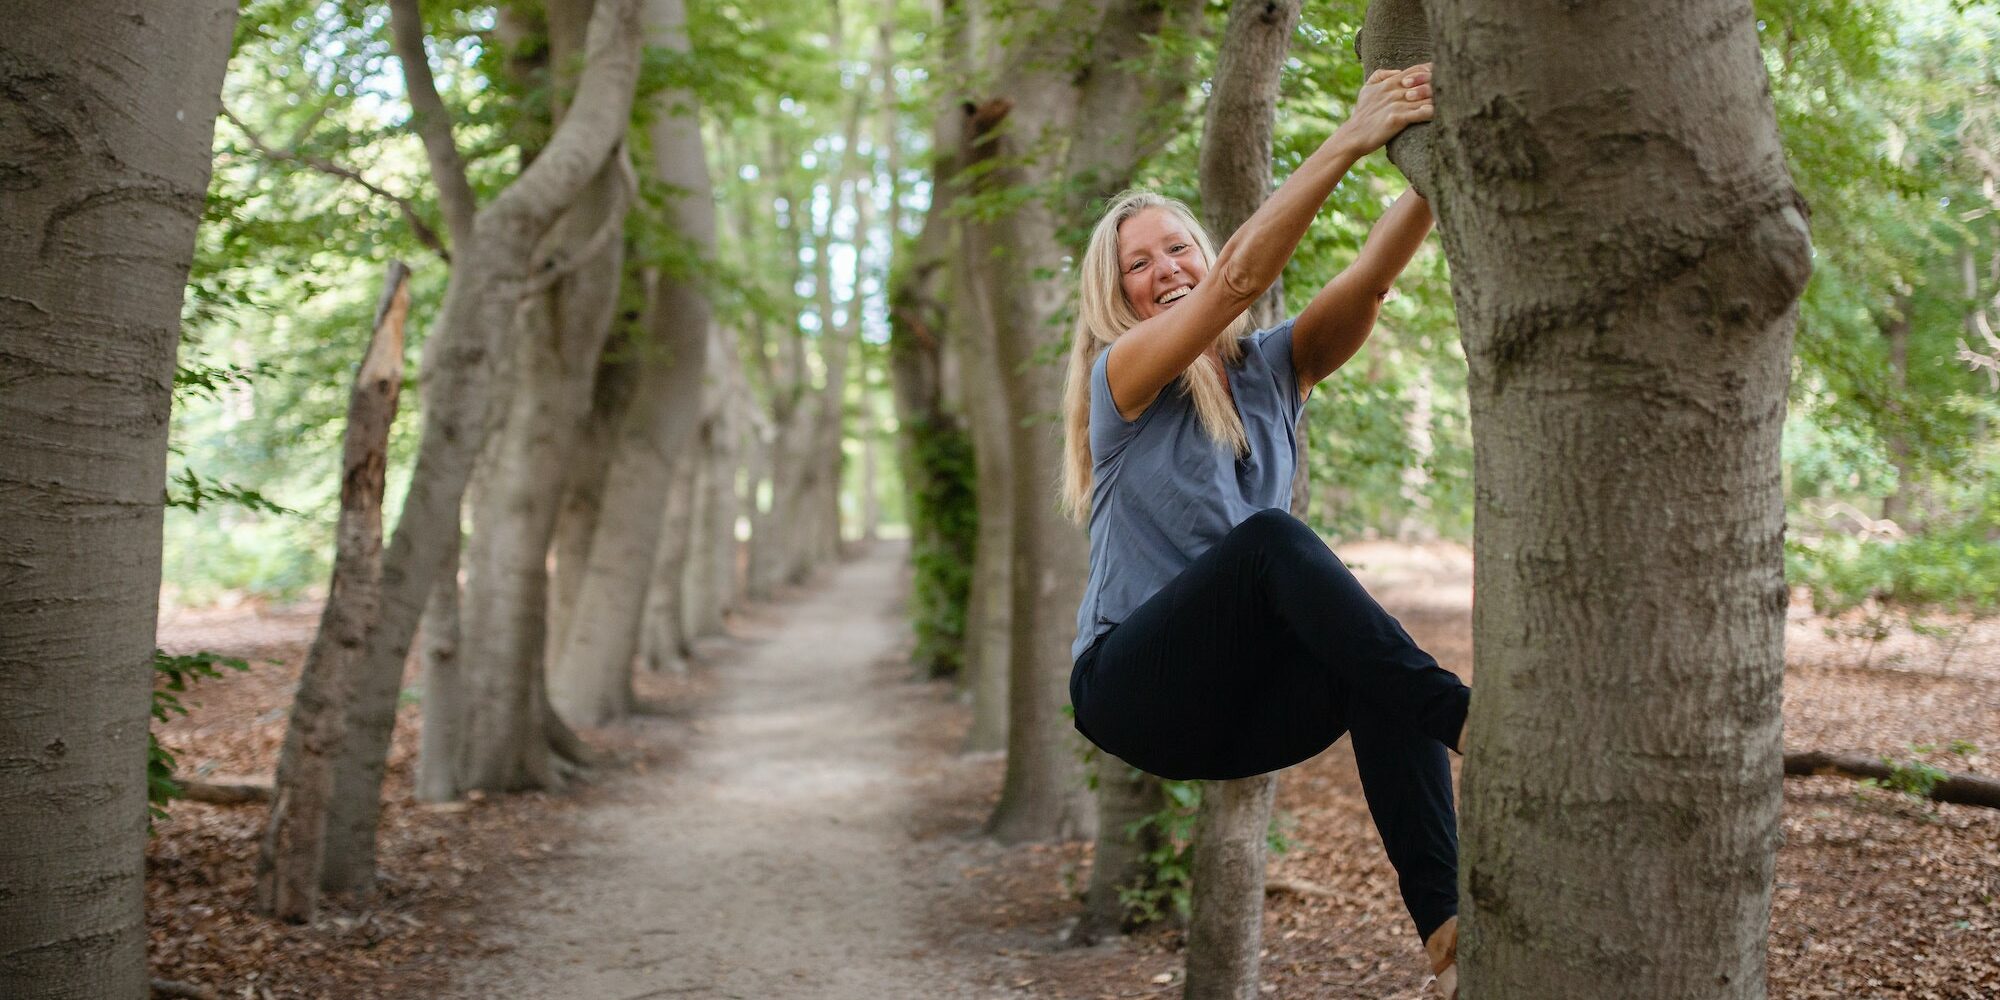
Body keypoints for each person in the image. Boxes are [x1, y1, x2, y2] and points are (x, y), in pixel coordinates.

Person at [1061, 64, 1468, 998]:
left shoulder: (1274, 372)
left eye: (1179, 251)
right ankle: (1462, 719)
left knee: (1374, 667)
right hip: (1133, 690)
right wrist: (1350, 136)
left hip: (1239, 707)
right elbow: (1244, 276)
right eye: (1140, 262)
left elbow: (1369, 279)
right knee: (1274, 543)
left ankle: (1446, 937)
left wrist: (1440, 160)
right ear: (1118, 295)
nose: (1167, 270)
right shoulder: (1123, 377)